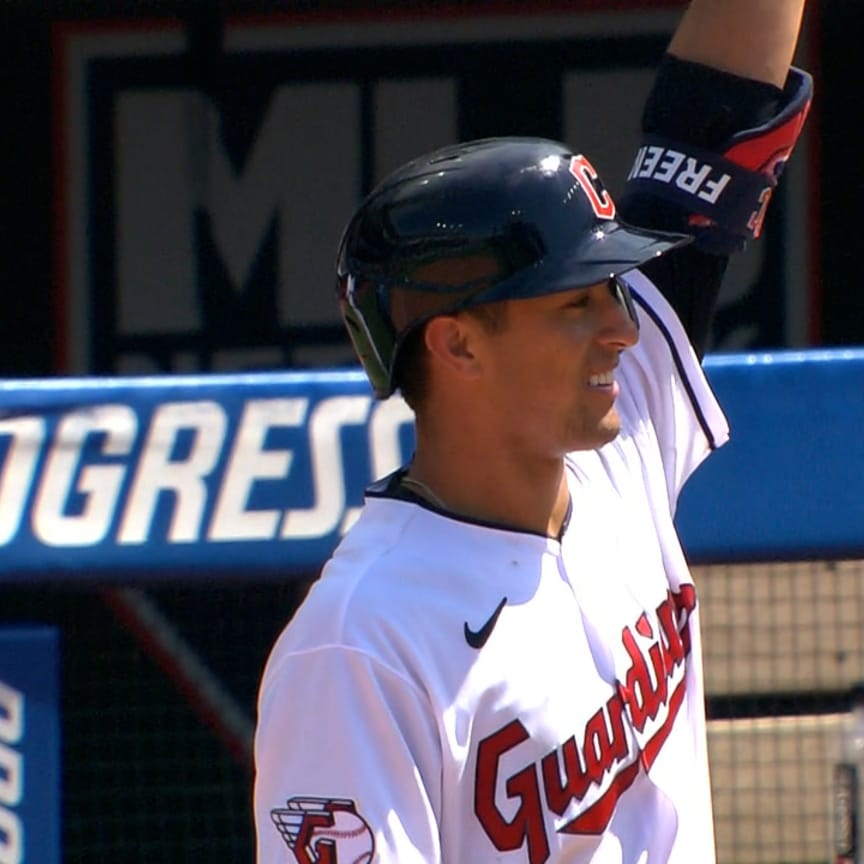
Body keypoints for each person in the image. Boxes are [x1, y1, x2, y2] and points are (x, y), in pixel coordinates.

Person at [253, 1, 811, 861]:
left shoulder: (617, 454)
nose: (621, 330)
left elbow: (713, 124)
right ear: (458, 343)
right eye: (576, 302)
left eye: (616, 291)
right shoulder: (360, 644)